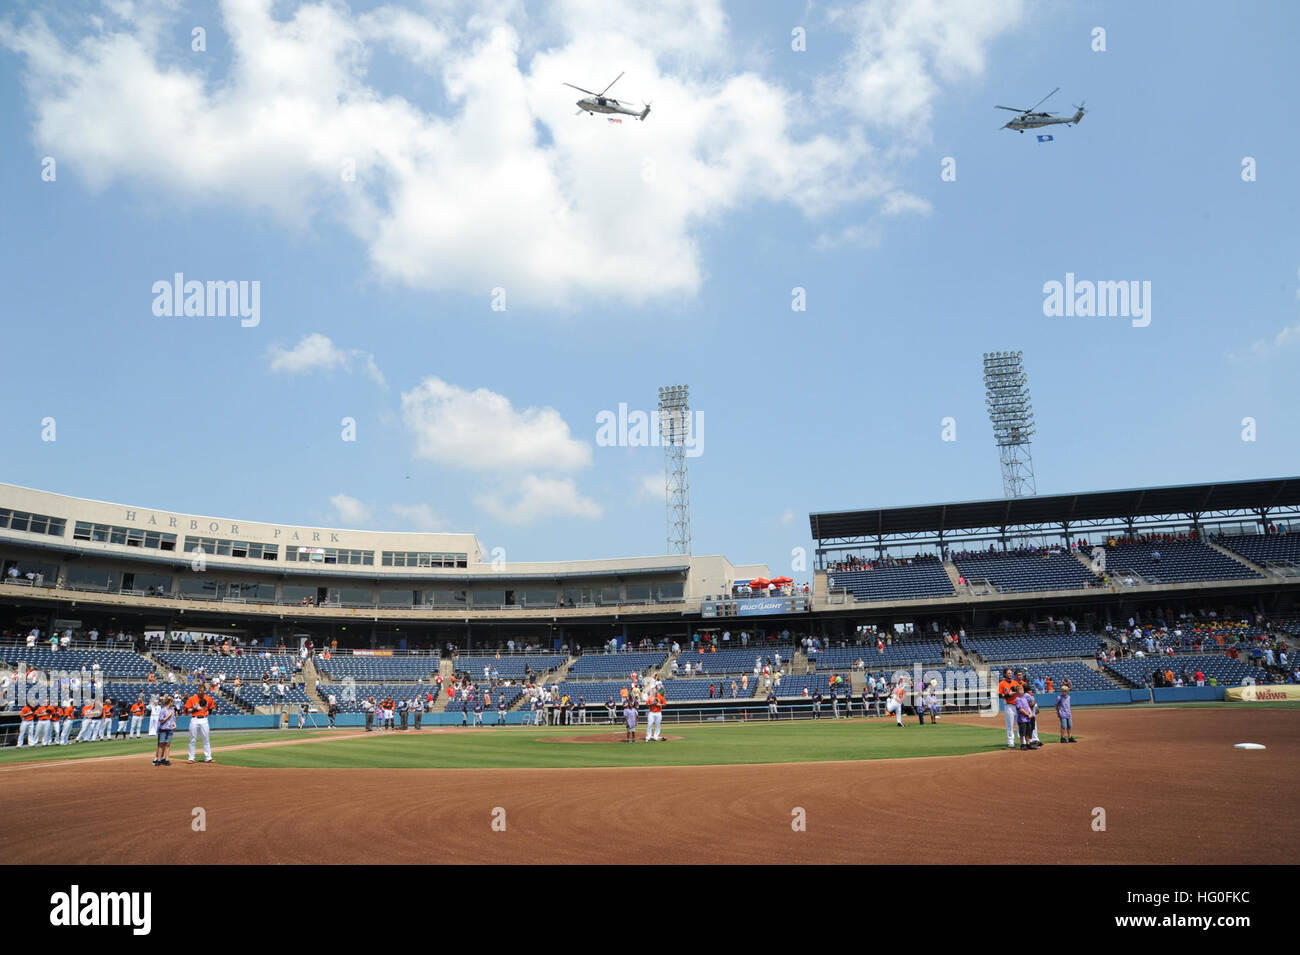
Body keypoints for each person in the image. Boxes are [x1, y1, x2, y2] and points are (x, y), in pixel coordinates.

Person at [184, 683, 216, 763]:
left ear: (204, 690)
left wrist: (208, 712)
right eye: (199, 690)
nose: (200, 692)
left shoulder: (209, 699)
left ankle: (208, 757)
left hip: (204, 720)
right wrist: (197, 709)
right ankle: (191, 758)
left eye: (201, 690)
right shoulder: (192, 698)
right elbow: (188, 710)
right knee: (192, 740)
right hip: (194, 719)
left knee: (206, 739)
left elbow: (211, 708)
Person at [997, 668, 1020, 749]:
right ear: (1005, 674)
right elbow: (1000, 695)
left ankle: (1022, 740)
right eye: (1008, 673)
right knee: (1010, 725)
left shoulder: (1015, 683)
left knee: (1019, 724)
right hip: (1009, 706)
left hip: (1017, 705)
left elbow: (1020, 692)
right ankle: (1010, 742)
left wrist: (1016, 691)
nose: (1010, 674)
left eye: (1011, 673)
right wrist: (1008, 695)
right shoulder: (1002, 683)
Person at [153, 694, 177, 766]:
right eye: (172, 701)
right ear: (169, 702)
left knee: (167, 744)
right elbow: (161, 720)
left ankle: (166, 759)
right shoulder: (163, 710)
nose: (173, 703)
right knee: (161, 744)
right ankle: (159, 760)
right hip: (163, 729)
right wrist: (168, 715)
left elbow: (173, 719)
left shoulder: (172, 709)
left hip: (170, 729)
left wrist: (175, 725)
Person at [1014, 686, 1035, 751]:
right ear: (1017, 692)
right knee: (1022, 733)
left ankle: (1028, 744)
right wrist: (1027, 714)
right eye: (1020, 690)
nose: (1022, 691)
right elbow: (1020, 709)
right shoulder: (1018, 699)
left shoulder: (1024, 698)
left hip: (1027, 719)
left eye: (1022, 690)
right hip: (1022, 719)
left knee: (1027, 732)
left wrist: (1031, 713)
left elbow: (1028, 707)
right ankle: (1022, 744)